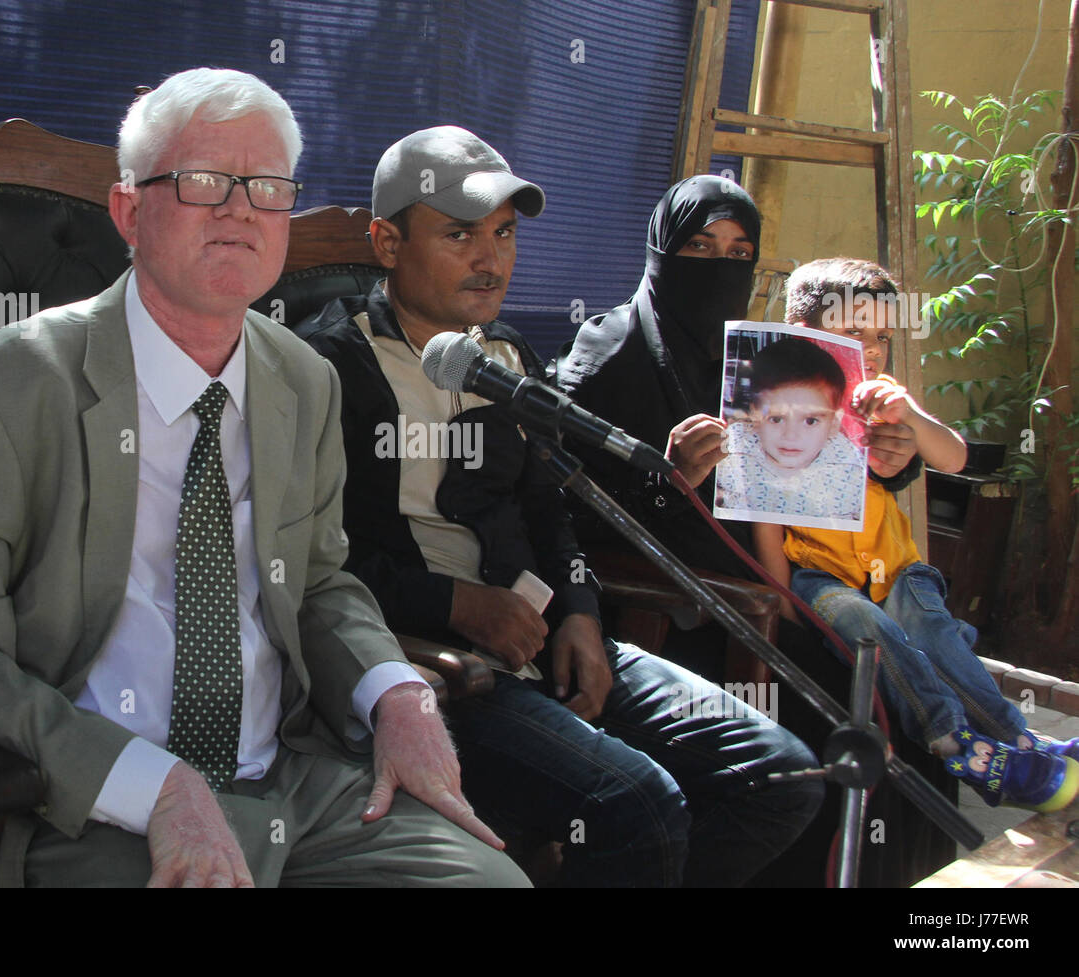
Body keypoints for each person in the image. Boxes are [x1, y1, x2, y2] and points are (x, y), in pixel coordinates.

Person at [0, 69, 530, 888]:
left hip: (291, 781)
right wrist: (151, 781)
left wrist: (394, 692)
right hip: (84, 801)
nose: (242, 208)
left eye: (268, 187)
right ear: (130, 212)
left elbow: (317, 579)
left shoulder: (306, 382)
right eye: (207, 182)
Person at [297, 126, 823, 886]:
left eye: (504, 234)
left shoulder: (508, 355)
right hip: (436, 671)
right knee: (642, 805)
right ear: (386, 242)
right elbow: (313, 563)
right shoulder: (327, 367)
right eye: (459, 234)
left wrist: (578, 608)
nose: (492, 259)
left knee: (784, 776)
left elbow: (552, 503)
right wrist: (460, 604)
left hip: (549, 639)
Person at [553, 177, 956, 888]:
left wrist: (890, 459)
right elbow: (567, 507)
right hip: (680, 609)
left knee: (899, 696)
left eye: (740, 251)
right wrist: (667, 476)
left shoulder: (754, 358)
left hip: (781, 586)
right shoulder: (613, 350)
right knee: (836, 710)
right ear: (661, 251)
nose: (720, 266)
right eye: (700, 247)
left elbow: (815, 469)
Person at [751, 257, 1079, 812]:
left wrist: (913, 419)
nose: (873, 348)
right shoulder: (774, 407)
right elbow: (762, 508)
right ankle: (956, 743)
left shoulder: (884, 398)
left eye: (882, 334)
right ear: (803, 335)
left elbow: (953, 456)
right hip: (820, 575)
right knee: (867, 629)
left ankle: (1017, 739)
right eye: (853, 332)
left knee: (938, 636)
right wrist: (781, 596)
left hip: (898, 565)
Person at [716, 336, 865, 520]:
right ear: (754, 415)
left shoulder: (844, 463)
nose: (791, 436)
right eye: (777, 419)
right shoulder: (737, 448)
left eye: (810, 421)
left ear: (834, 423)